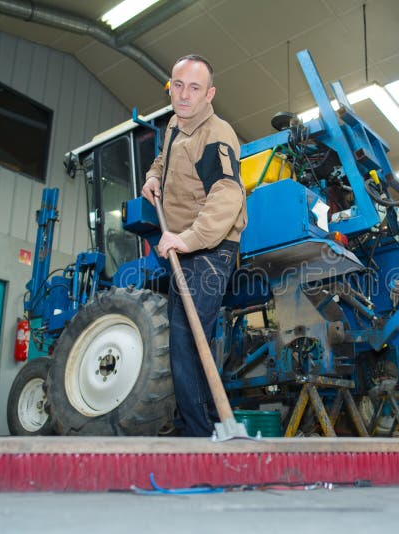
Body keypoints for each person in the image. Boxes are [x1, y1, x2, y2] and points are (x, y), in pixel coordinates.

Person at [141, 55, 247, 437]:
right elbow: (163, 159)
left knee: (188, 337)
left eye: (195, 88)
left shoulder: (216, 134)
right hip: (183, 246)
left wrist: (184, 239)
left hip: (210, 247)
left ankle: (199, 434)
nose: (184, 95)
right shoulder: (174, 124)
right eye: (178, 85)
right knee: (182, 338)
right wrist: (154, 176)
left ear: (210, 94)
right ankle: (194, 425)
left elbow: (226, 196)